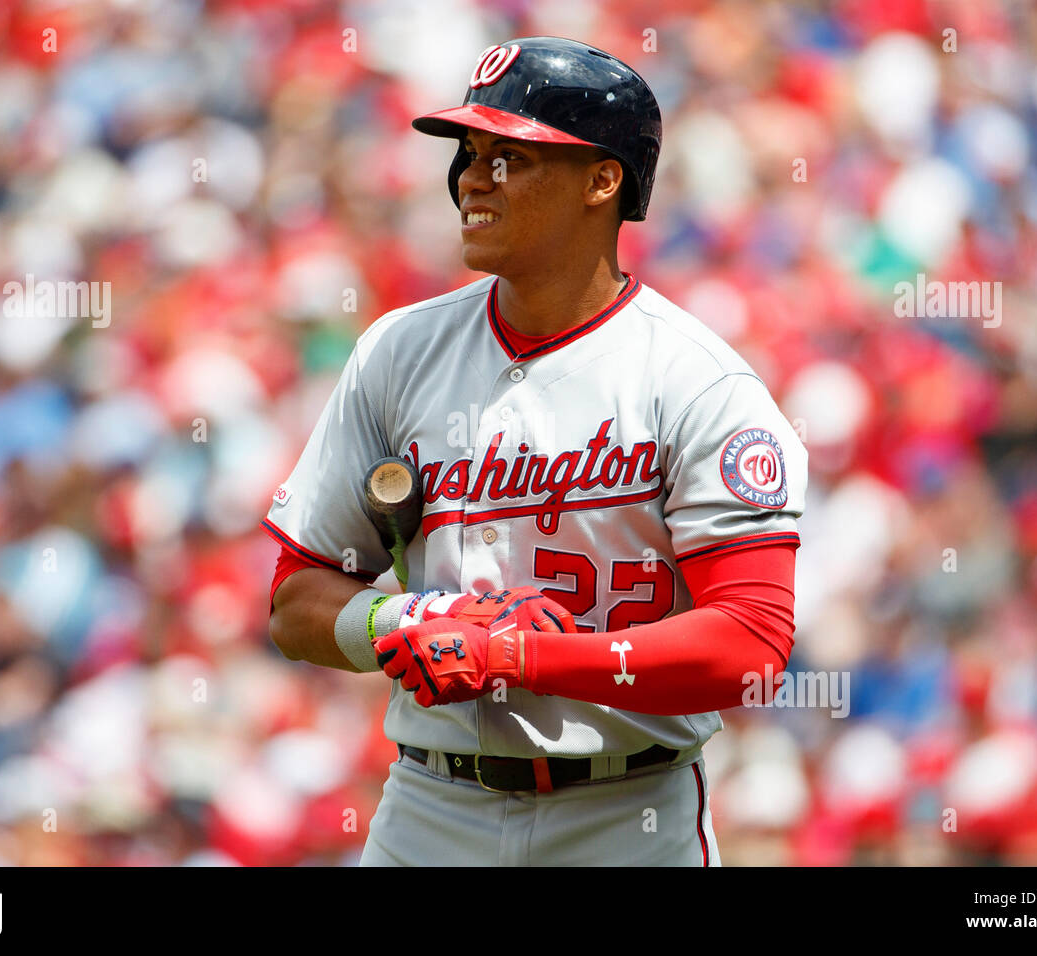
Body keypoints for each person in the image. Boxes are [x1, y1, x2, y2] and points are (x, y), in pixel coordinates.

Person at [262, 36, 807, 866]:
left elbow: (751, 641)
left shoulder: (694, 379)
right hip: (428, 812)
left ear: (602, 178)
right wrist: (405, 618)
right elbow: (294, 602)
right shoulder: (398, 351)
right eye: (471, 154)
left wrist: (522, 656)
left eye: (511, 155)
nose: (474, 180)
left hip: (627, 816)